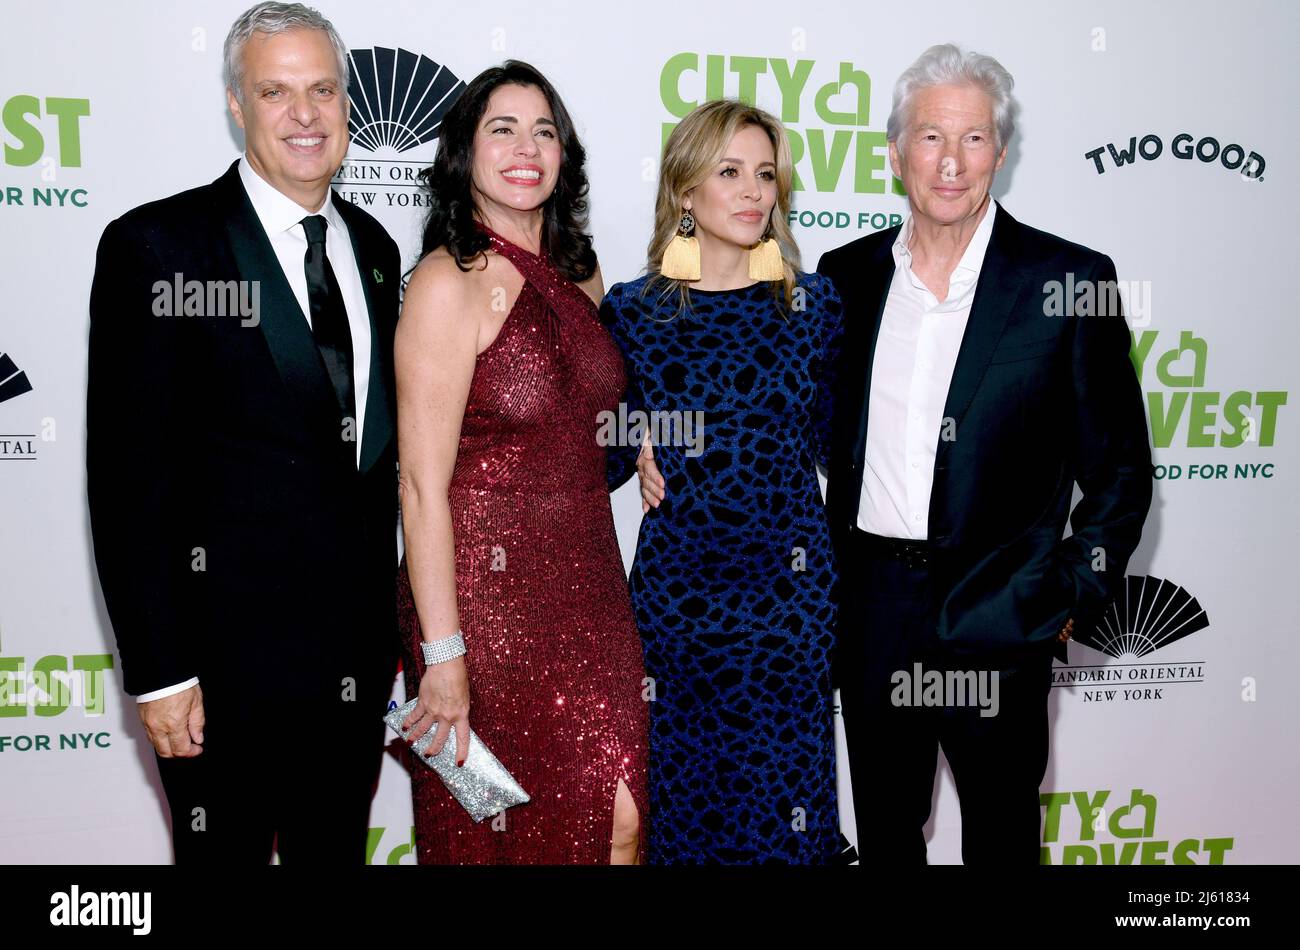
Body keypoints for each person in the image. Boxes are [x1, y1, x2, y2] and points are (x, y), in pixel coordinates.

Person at [817, 44, 1153, 862]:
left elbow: (1120, 469)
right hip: (873, 615)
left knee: (1002, 840)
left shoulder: (1068, 279)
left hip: (1003, 614)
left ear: (1000, 153)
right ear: (895, 153)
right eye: (931, 137)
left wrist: (1062, 594)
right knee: (886, 837)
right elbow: (798, 424)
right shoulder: (844, 277)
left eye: (974, 139)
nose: (952, 161)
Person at [87, 2, 400, 863]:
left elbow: (372, 462)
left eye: (324, 90)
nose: (306, 114)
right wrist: (159, 669)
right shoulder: (159, 247)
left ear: (347, 104)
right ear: (236, 104)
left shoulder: (373, 247)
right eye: (276, 91)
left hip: (350, 673)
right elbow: (126, 478)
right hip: (216, 675)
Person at [395, 60, 648, 864]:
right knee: (495, 832)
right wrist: (444, 655)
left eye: (544, 129)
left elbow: (584, 418)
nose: (525, 147)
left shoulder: (584, 274)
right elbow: (419, 486)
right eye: (500, 128)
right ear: (464, 152)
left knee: (622, 820)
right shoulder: (447, 282)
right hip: (476, 600)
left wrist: (643, 439)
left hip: (589, 585)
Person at [608, 99, 844, 863]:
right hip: (678, 611)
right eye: (730, 172)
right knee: (682, 814)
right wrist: (636, 435)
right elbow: (600, 454)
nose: (753, 192)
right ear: (684, 190)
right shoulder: (634, 312)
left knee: (788, 813)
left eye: (766, 174)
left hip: (790, 606)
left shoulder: (814, 307)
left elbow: (845, 447)